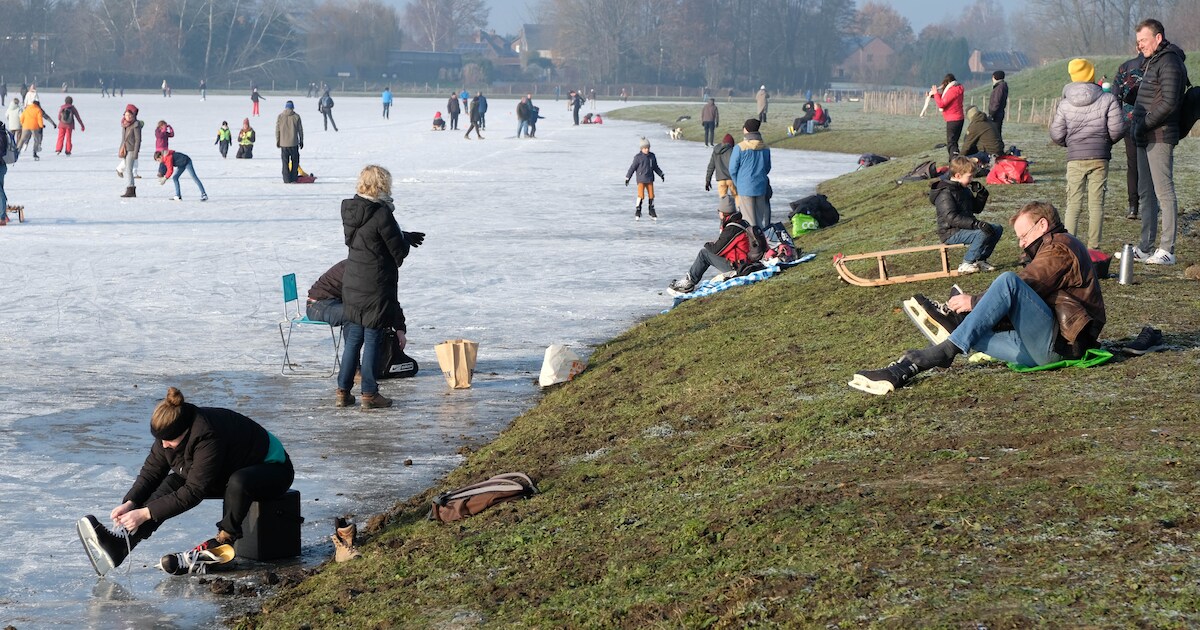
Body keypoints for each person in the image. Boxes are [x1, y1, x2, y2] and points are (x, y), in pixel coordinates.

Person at [850, 201, 1106, 395]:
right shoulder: (1051, 247)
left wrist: (974, 302)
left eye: (1023, 236)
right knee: (971, 332)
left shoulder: (1060, 247)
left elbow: (1028, 284)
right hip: (1044, 346)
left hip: (1061, 346)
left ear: (1042, 225)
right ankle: (905, 368)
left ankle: (947, 349)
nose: (1021, 244)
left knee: (1008, 281)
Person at [75, 387, 294, 576]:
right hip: (230, 468)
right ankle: (121, 545)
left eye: (169, 441)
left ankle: (224, 541)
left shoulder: (208, 434)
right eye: (160, 440)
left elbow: (195, 491)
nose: (164, 446)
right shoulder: (169, 434)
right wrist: (131, 503)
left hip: (273, 470)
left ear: (186, 432)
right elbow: (152, 472)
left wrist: (144, 513)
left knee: (238, 482)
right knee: (173, 483)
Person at [338, 165, 424, 409]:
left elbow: (367, 237)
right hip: (376, 285)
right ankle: (369, 393)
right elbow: (398, 252)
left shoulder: (352, 209)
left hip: (353, 282)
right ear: (382, 185)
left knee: (354, 338)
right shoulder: (383, 213)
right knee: (373, 338)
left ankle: (343, 391)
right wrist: (403, 240)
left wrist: (402, 233)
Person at [1127, 18, 1187, 265]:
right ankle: (1145, 247)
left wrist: (1144, 122)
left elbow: (1170, 103)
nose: (1139, 45)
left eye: (1143, 40)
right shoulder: (1153, 61)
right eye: (1138, 41)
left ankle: (1167, 250)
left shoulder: (1170, 61)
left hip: (1160, 135)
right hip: (1143, 134)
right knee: (1146, 192)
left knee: (1164, 192)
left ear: (1158, 38)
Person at [1049, 58, 1125, 251]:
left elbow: (1056, 133)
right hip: (1100, 157)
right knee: (1096, 204)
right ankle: (1094, 248)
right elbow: (1117, 130)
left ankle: (1069, 247)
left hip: (1075, 157)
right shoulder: (1108, 99)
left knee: (1073, 203)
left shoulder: (1065, 103)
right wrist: (1104, 143)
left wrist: (1071, 144)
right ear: (1091, 74)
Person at [667, 195, 755, 294]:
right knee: (708, 252)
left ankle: (689, 283)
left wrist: (708, 244)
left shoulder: (732, 228)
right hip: (748, 263)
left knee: (704, 254)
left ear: (722, 213)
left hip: (739, 268)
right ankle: (689, 280)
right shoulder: (743, 222)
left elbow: (716, 250)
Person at [307, 259, 407, 344]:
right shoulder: (358, 270)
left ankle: (364, 361)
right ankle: (354, 364)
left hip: (336, 302)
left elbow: (388, 298)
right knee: (355, 316)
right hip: (317, 305)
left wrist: (399, 328)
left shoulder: (370, 267)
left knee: (364, 315)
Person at [931, 156, 1001, 274]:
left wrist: (982, 193)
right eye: (969, 176)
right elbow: (951, 218)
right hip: (950, 233)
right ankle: (967, 263)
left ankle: (980, 260)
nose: (972, 179)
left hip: (965, 228)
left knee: (996, 229)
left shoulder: (964, 189)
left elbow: (976, 209)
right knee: (982, 232)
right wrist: (977, 224)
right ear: (958, 176)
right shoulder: (945, 193)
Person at [1113, 49, 1145, 221]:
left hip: (1129, 122)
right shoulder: (1157, 65)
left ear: (1135, 48)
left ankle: (1133, 207)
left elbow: (1115, 96)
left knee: (1132, 166)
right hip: (1153, 122)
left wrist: (1120, 118)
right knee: (1151, 165)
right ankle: (1151, 206)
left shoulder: (1124, 67)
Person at [728, 118, 771, 231]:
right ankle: (763, 244)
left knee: (748, 221)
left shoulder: (740, 147)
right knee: (758, 219)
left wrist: (738, 183)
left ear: (746, 130)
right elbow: (767, 167)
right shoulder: (765, 147)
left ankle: (755, 246)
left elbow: (732, 169)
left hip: (745, 187)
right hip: (761, 186)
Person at [624, 137, 664, 221]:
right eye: (645, 148)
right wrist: (628, 177)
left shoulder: (652, 156)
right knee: (641, 195)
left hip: (649, 179)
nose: (647, 150)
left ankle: (651, 210)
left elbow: (655, 167)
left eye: (648, 148)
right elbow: (632, 168)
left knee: (651, 195)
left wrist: (661, 174)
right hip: (641, 179)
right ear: (641, 148)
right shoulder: (638, 157)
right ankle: (638, 210)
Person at [930, 73, 965, 161]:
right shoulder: (958, 89)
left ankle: (954, 161)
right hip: (959, 118)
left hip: (953, 119)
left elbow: (942, 104)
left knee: (951, 143)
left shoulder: (952, 90)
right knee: (954, 142)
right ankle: (955, 159)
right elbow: (947, 99)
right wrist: (934, 96)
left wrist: (936, 93)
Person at [118, 104, 143, 198]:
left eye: (130, 115)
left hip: (132, 149)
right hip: (125, 149)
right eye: (126, 115)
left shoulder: (136, 125)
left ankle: (131, 189)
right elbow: (123, 138)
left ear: (133, 116)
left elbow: (138, 140)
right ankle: (130, 189)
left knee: (129, 170)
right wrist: (121, 148)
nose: (127, 117)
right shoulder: (124, 124)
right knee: (128, 169)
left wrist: (136, 152)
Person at [276, 101, 303, 183]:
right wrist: (301, 140)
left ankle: (286, 179)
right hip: (294, 143)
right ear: (293, 107)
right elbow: (300, 130)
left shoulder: (280, 117)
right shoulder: (296, 117)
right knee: (295, 161)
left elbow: (277, 130)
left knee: (285, 162)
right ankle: (293, 178)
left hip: (283, 144)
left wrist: (278, 141)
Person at [705, 133, 737, 199]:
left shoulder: (716, 151)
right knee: (737, 197)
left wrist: (708, 180)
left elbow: (711, 166)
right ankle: (738, 208)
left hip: (721, 179)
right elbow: (736, 166)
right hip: (731, 179)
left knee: (723, 200)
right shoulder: (733, 151)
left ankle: (724, 209)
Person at [989, 71, 1009, 137]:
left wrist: (992, 113)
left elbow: (996, 101)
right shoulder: (1002, 86)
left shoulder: (999, 87)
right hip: (998, 113)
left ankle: (998, 146)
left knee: (995, 133)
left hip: (996, 114)